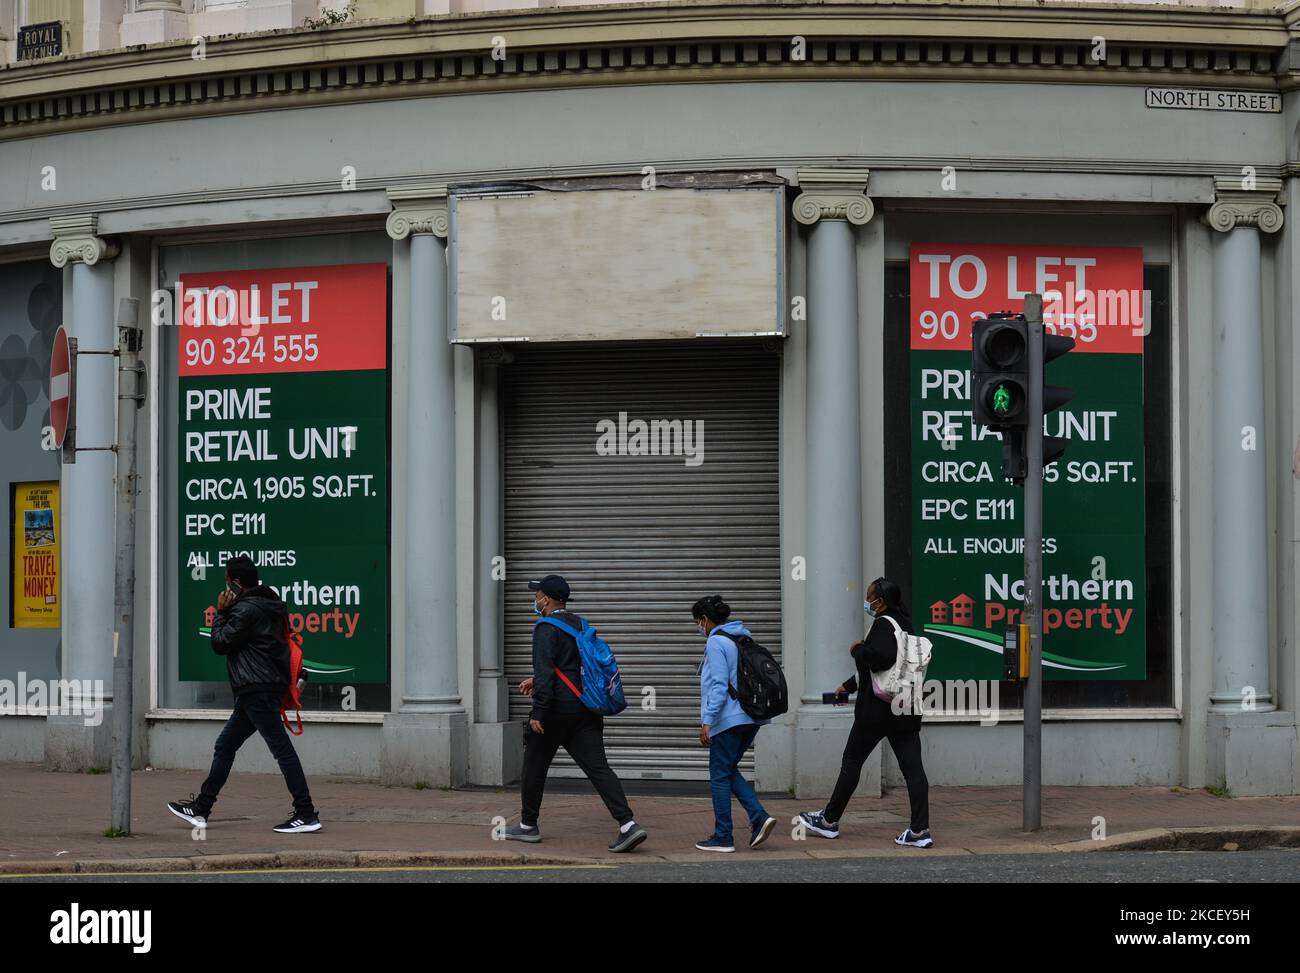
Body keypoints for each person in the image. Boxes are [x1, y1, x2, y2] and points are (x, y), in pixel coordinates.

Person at [166, 555, 320, 834]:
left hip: (256, 689)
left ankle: (306, 813)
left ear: (235, 583)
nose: (225, 586)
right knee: (225, 746)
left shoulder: (246, 610)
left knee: (282, 750)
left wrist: (221, 612)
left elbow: (220, 643)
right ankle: (201, 809)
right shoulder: (268, 604)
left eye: (227, 580)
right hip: (259, 688)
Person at [503, 575, 647, 853]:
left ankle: (528, 826)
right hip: (586, 709)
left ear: (547, 599)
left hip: (556, 710)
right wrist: (540, 680)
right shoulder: (580, 624)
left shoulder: (545, 628)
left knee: (534, 765)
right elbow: (572, 666)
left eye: (538, 595)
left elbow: (547, 673)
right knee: (599, 768)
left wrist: (538, 713)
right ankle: (628, 824)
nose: (535, 599)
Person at [799, 577, 933, 848]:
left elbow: (879, 659)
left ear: (880, 601)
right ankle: (920, 830)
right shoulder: (906, 624)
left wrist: (857, 648)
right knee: (913, 770)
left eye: (869, 597)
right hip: (904, 707)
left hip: (877, 711)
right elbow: (888, 671)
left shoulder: (884, 624)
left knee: (852, 761)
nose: (867, 602)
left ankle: (828, 821)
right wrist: (848, 686)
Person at [692, 595, 777, 853]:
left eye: (697, 622)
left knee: (719, 775)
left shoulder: (717, 642)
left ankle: (723, 836)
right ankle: (758, 817)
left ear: (705, 620)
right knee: (728, 770)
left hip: (729, 719)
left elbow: (718, 685)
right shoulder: (742, 637)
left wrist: (708, 721)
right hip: (751, 717)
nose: (698, 627)